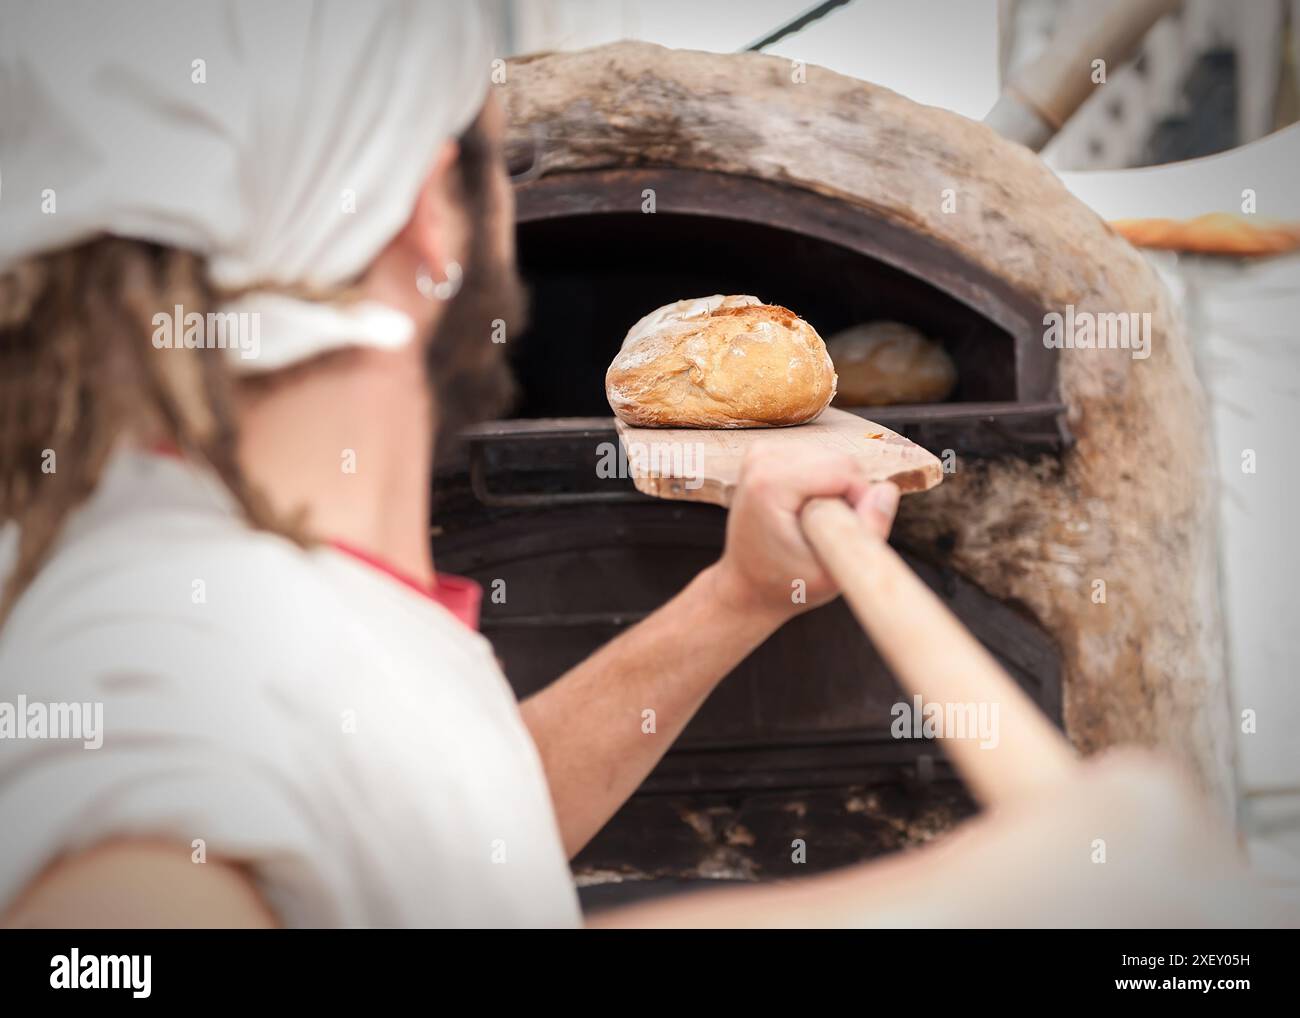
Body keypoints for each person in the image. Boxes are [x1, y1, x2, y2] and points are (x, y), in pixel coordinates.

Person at [0, 0, 1285, 928]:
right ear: (425, 218)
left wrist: (735, 598)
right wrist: (979, 902)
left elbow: (457, 845)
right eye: (491, 158)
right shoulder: (153, 671)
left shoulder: (266, 588)